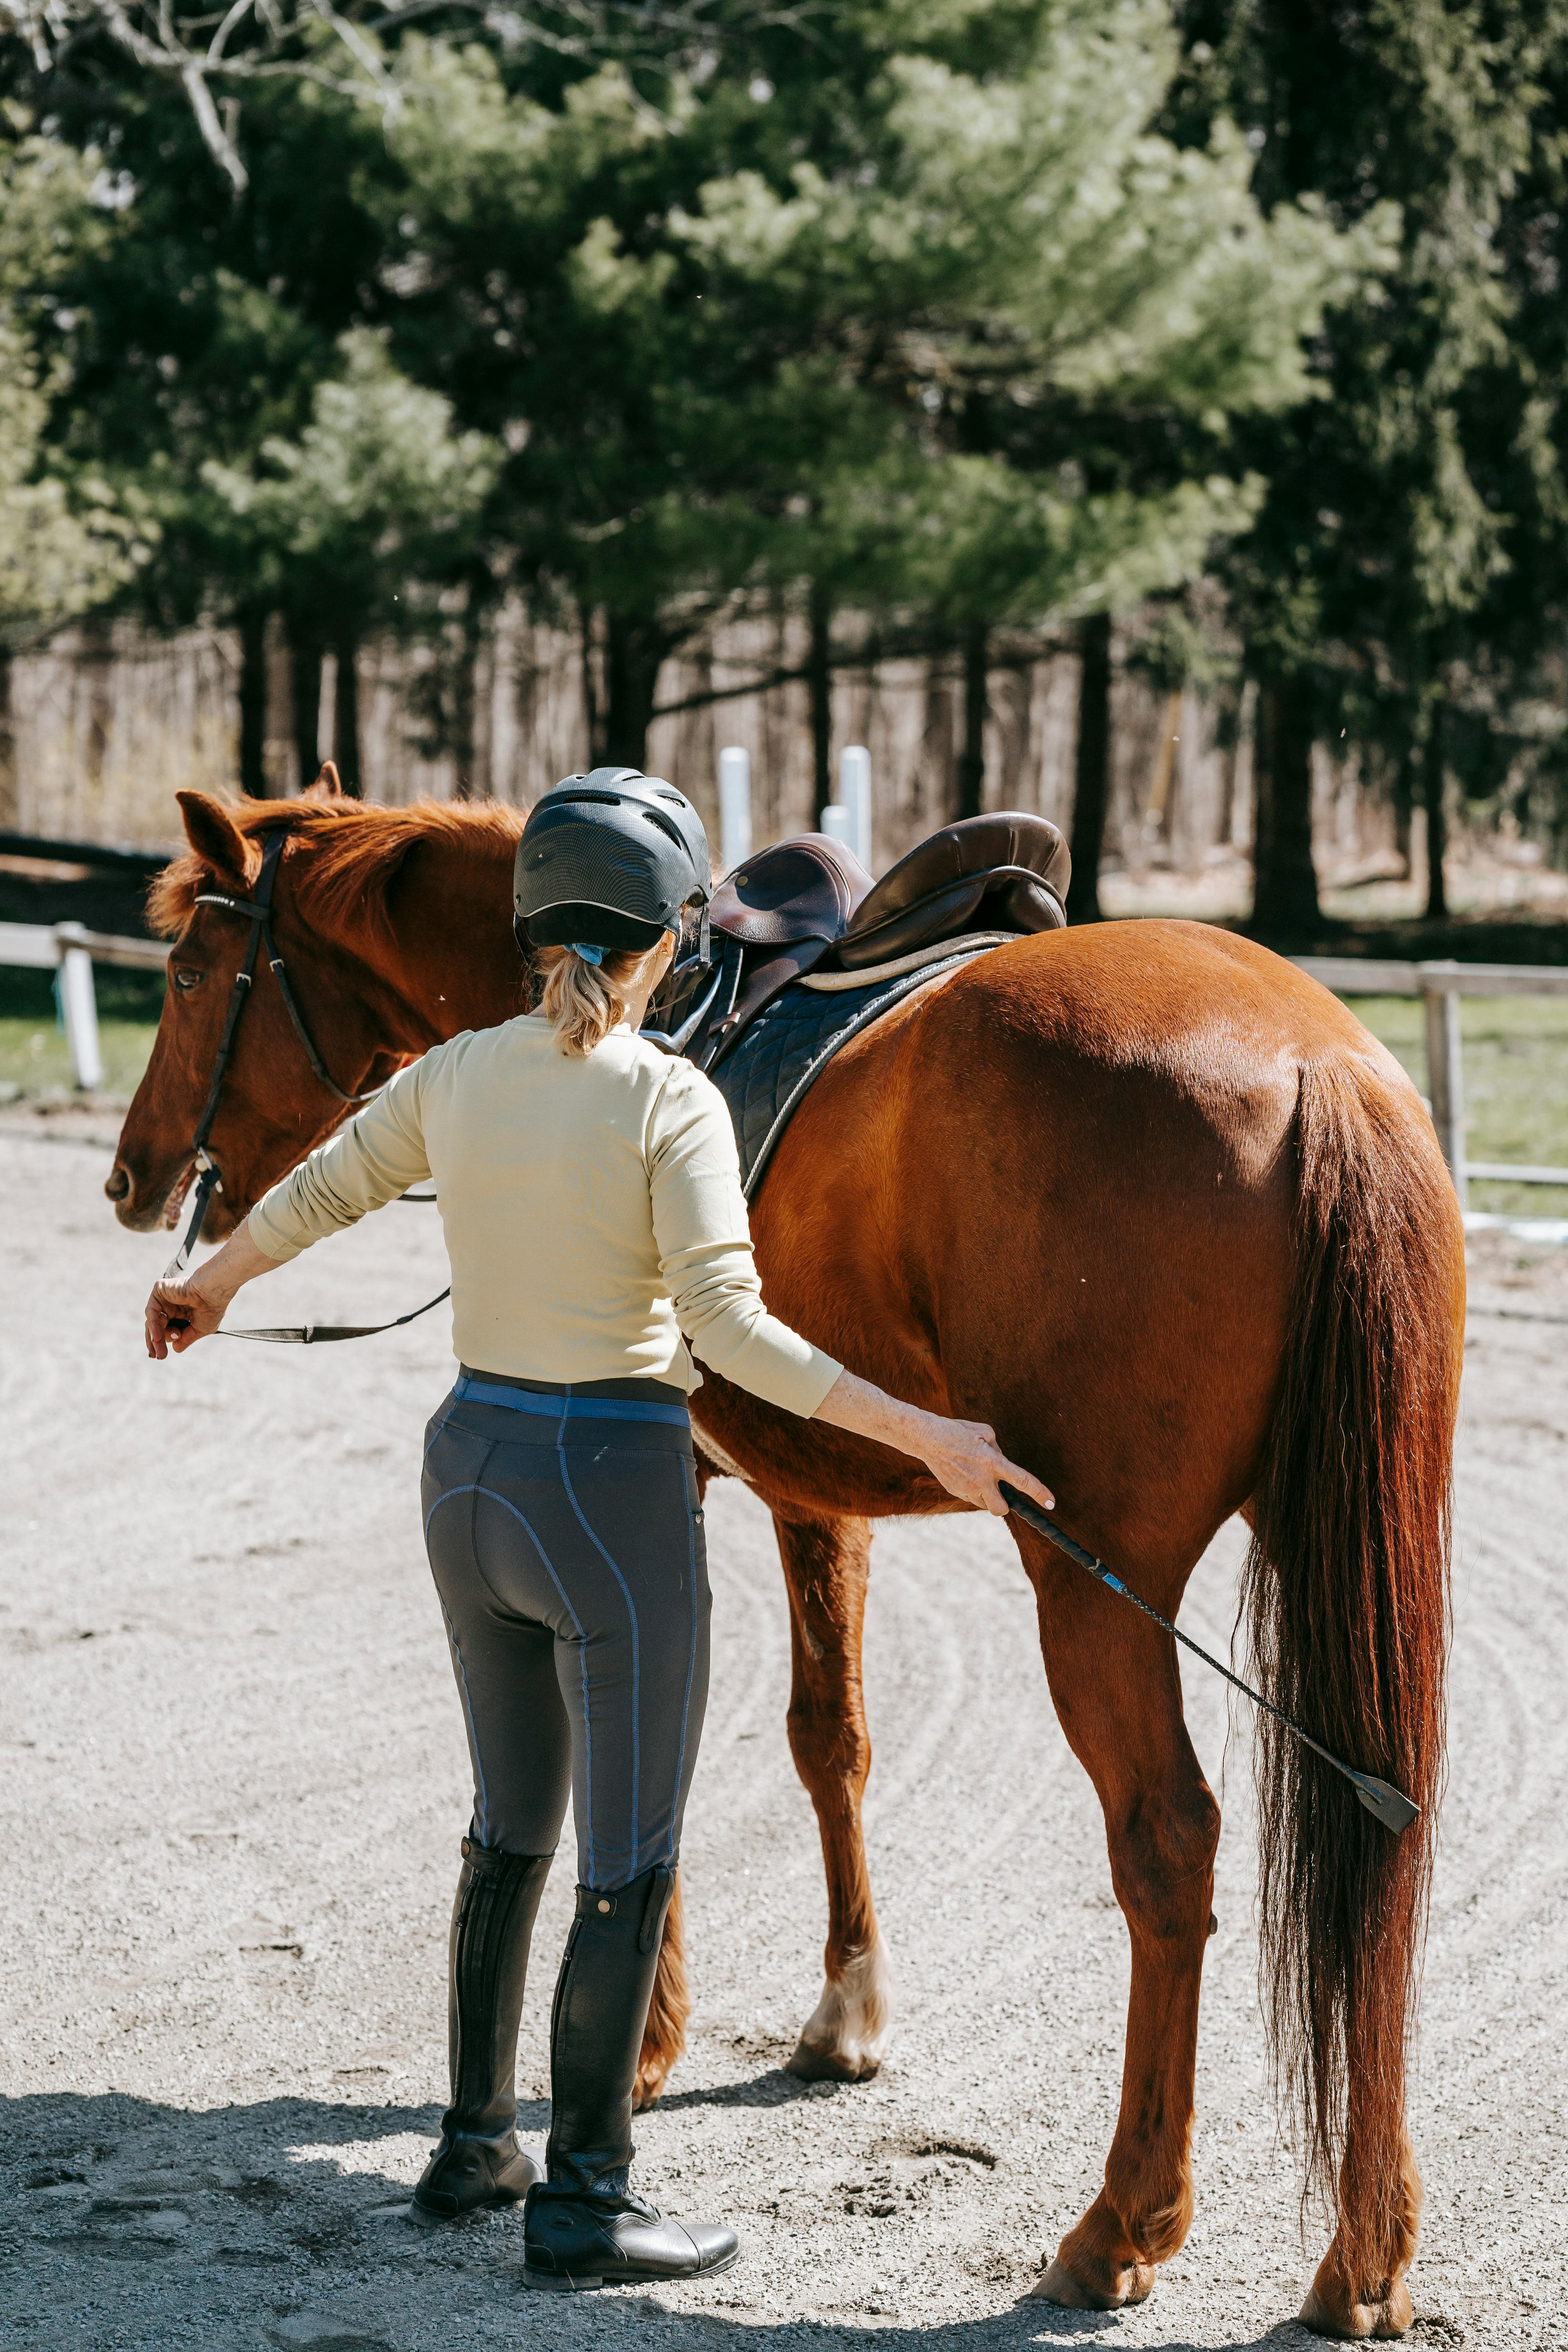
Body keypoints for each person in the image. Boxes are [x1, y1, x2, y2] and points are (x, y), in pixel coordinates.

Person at [144, 768, 1056, 2294]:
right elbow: (738, 1341)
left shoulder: (448, 1076)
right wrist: (930, 1438)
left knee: (507, 1833)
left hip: (471, 1477)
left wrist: (210, 1284)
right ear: (667, 939)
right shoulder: (670, 1099)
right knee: (625, 1852)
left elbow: (324, 1190)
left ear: (525, 928)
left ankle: (472, 2145)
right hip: (611, 1488)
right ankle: (583, 2200)